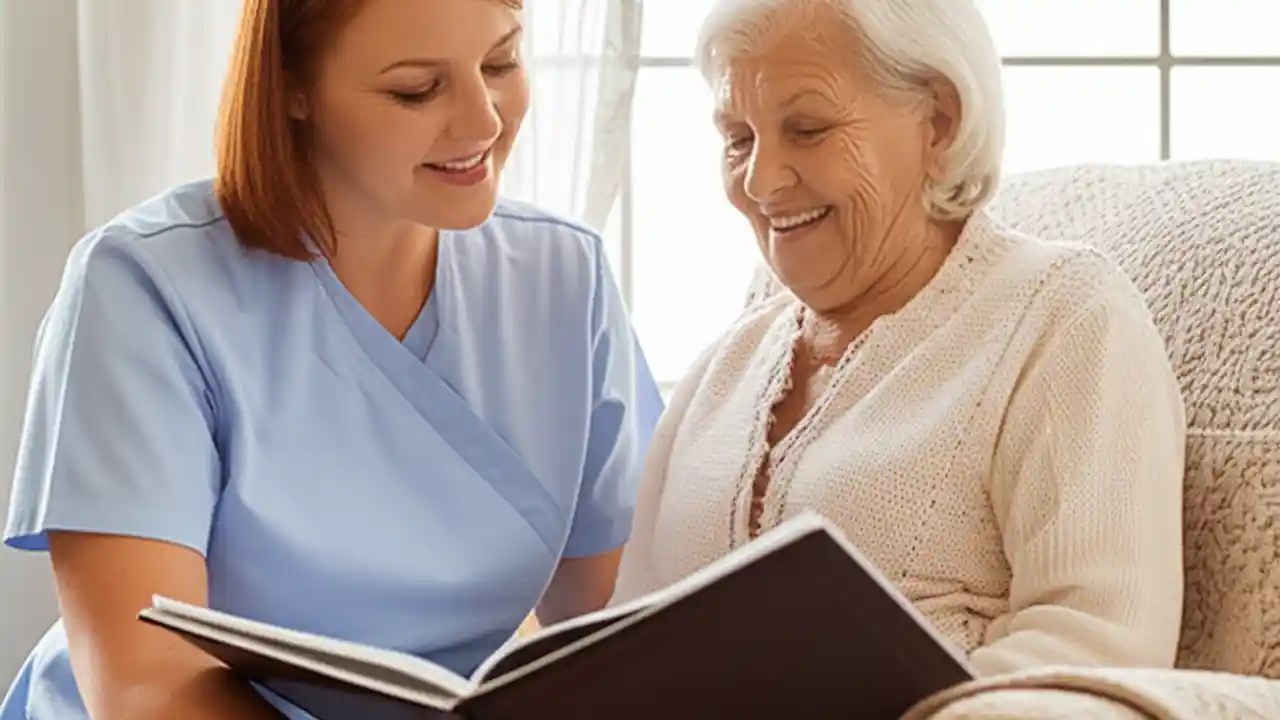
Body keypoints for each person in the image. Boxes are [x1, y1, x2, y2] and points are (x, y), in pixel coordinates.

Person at [1, 0, 661, 718]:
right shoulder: (142, 287)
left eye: (500, 63)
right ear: (292, 87)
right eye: (417, 89)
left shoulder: (564, 277)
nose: (484, 121)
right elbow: (146, 687)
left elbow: (620, 634)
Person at [612, 0, 1186, 678]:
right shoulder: (723, 370)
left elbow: (1095, 651)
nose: (761, 181)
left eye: (808, 128)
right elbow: (622, 650)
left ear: (939, 121)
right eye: (739, 138)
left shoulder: (1062, 318)